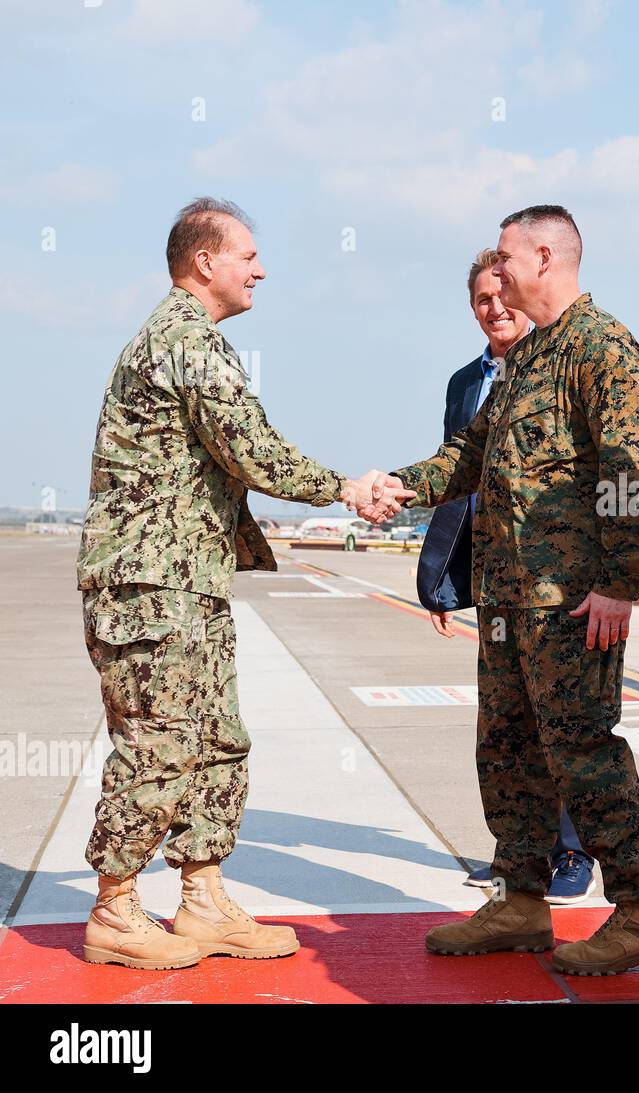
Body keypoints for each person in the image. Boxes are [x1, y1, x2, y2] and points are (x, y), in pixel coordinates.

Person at [76, 197, 408, 970]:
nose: (260, 269)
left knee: (217, 739)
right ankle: (115, 906)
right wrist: (346, 487)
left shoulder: (188, 340)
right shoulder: (189, 341)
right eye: (248, 255)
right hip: (151, 587)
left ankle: (201, 898)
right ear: (204, 262)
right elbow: (252, 449)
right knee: (159, 743)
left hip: (186, 583)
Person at [380, 206, 639, 975]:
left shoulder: (601, 348)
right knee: (507, 752)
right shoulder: (526, 361)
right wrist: (395, 486)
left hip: (573, 610)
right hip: (511, 612)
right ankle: (520, 898)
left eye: (509, 256)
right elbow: (466, 457)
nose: (500, 272)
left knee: (584, 755)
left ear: (545, 256)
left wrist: (620, 585)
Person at [422, 248, 596, 904]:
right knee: (508, 727)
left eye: (501, 295)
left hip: (559, 578)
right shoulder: (465, 383)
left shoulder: (562, 365)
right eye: (479, 301)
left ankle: (573, 850)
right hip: (498, 579)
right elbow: (455, 483)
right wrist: (439, 576)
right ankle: (521, 855)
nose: (492, 309)